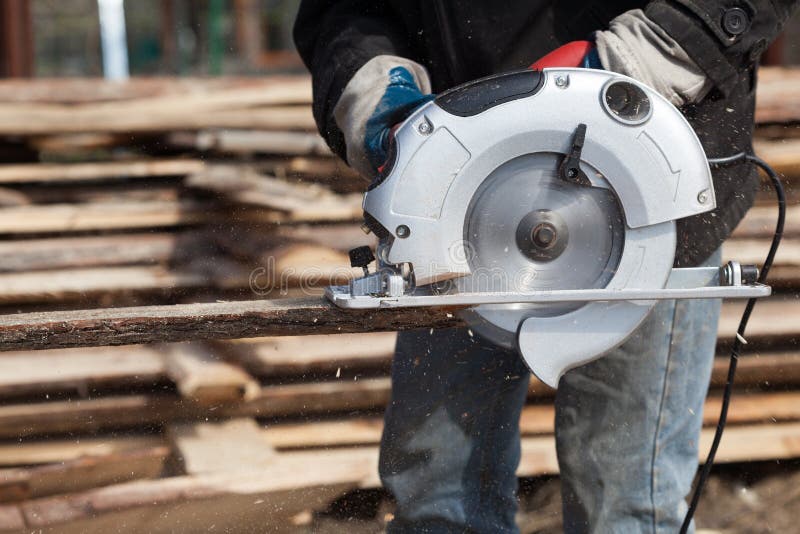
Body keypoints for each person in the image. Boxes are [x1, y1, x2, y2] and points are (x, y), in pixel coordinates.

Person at [294, 2, 798, 532]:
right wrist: (376, 87)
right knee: (438, 505)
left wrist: (643, 52)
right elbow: (344, 11)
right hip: (448, 194)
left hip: (649, 186)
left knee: (626, 511)